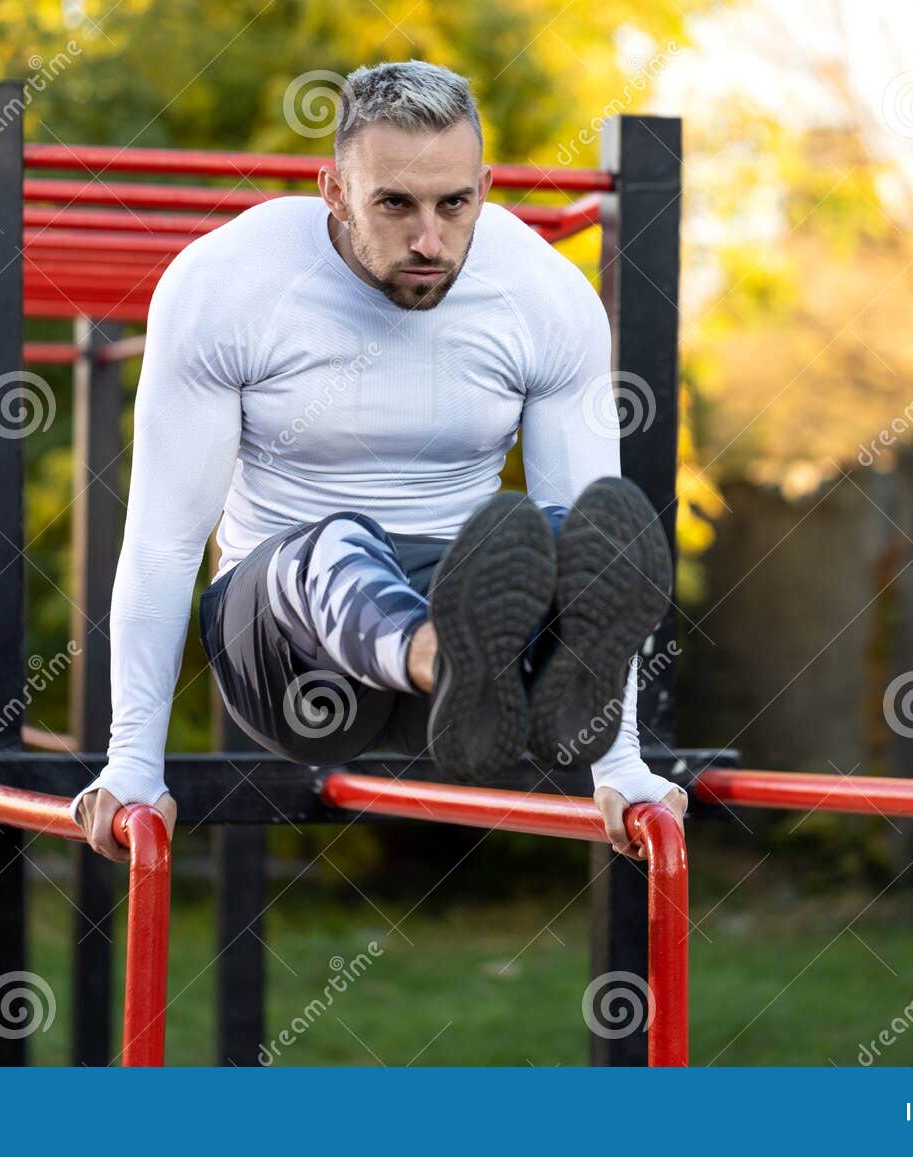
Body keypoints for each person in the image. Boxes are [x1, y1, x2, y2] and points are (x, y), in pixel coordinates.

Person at [73, 60, 688, 862]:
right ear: (333, 191)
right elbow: (163, 542)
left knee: (571, 528)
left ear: (486, 187)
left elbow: (592, 553)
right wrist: (132, 762)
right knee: (333, 542)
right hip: (288, 661)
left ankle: (475, 668)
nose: (429, 240)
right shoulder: (228, 283)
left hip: (451, 697)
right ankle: (441, 654)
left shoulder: (542, 295)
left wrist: (623, 763)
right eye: (394, 204)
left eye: (454, 204)